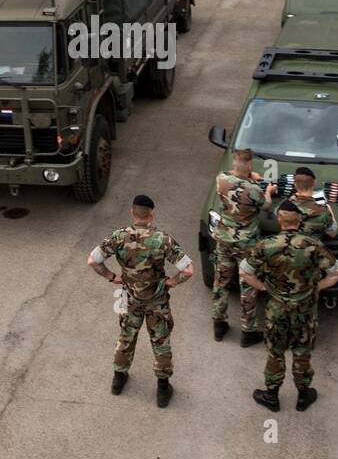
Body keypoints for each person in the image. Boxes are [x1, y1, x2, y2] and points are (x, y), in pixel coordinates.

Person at [87, 194, 194, 408]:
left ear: (132, 212)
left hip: (129, 298)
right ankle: (163, 390)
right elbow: (189, 270)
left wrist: (112, 277)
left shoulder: (117, 237)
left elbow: (93, 261)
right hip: (157, 300)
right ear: (151, 214)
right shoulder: (163, 239)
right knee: (161, 342)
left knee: (126, 336)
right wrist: (173, 281)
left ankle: (118, 379)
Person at [240, 200, 338, 412]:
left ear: (280, 220)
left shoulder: (265, 245)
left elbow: (244, 272)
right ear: (299, 220)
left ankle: (271, 396)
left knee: (275, 353)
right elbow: (337, 273)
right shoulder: (313, 246)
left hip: (276, 310)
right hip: (305, 310)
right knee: (302, 351)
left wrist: (262, 287)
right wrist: (316, 288)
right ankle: (304, 395)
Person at [211, 148, 267, 346]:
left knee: (221, 281)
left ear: (234, 163)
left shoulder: (221, 180)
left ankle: (219, 324)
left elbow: (233, 177)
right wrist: (265, 188)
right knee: (248, 285)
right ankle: (248, 331)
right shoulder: (254, 190)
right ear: (250, 165)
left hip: (224, 239)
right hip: (246, 243)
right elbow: (266, 206)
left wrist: (248, 176)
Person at [265, 167, 338, 240]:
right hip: (312, 248)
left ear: (295, 184)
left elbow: (276, 214)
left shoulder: (284, 206)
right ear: (314, 183)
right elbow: (332, 233)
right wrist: (330, 210)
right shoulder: (324, 211)